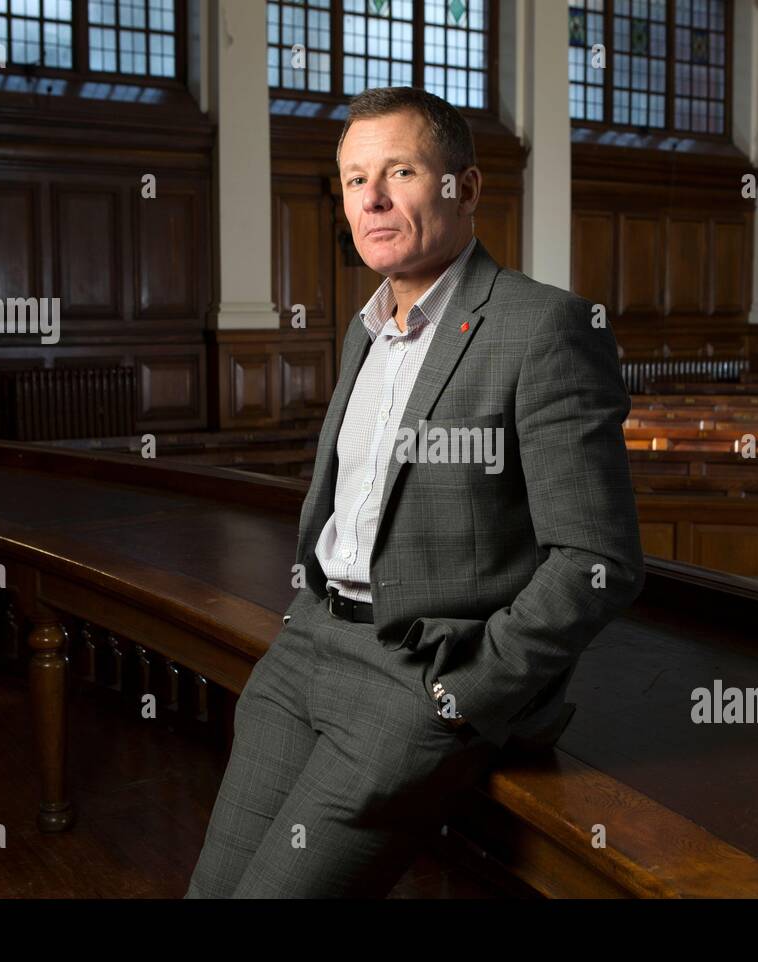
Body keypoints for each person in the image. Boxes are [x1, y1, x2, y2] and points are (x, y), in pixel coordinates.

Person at [186, 86, 644, 898]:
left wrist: (465, 693)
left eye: (399, 170)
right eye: (355, 179)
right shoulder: (367, 327)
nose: (373, 198)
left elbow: (596, 560)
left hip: (411, 681)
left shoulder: (542, 328)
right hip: (303, 658)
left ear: (464, 188)